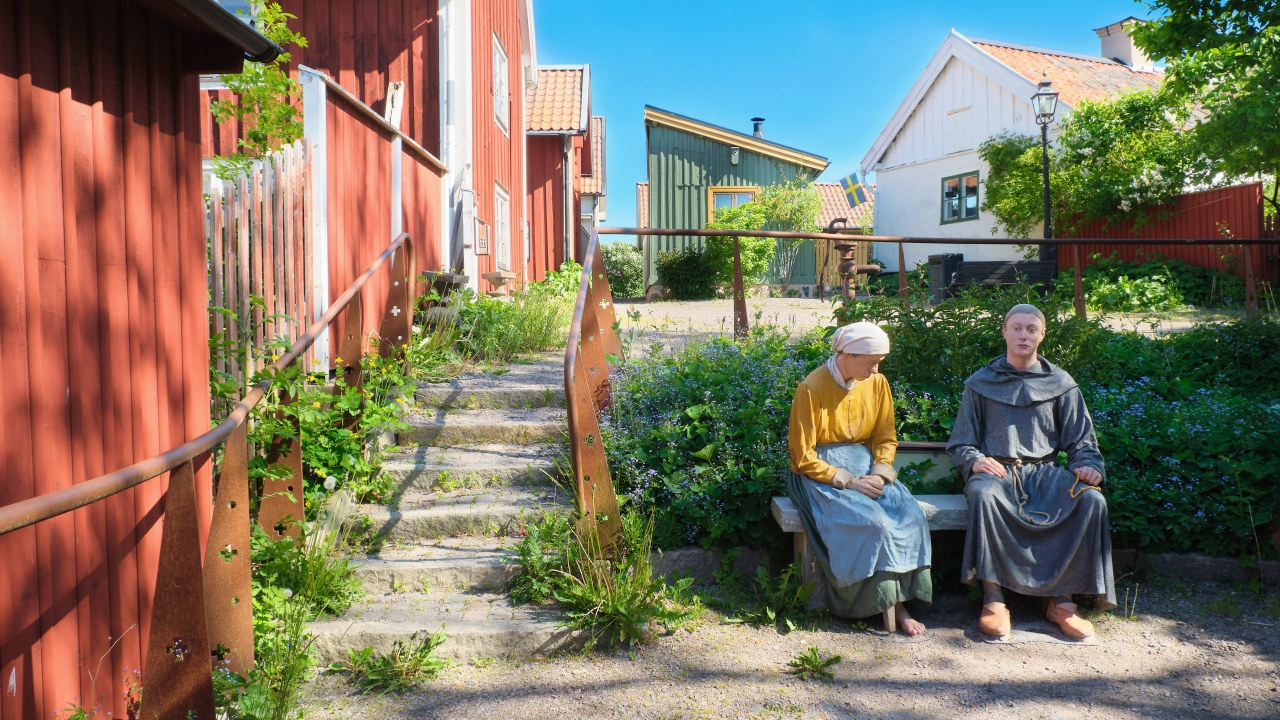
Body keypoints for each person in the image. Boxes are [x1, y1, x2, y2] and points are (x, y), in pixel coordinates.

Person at [947, 304, 1116, 640]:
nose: (1023, 335)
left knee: (1090, 502)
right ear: (1005, 332)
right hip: (997, 472)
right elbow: (961, 442)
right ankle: (994, 599)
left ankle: (1062, 602)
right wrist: (975, 460)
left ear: (1042, 334)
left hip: (1046, 473)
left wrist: (1088, 465)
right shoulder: (980, 383)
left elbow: (1082, 440)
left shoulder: (1061, 383)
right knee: (982, 495)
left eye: (1031, 329)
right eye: (1017, 328)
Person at [786, 321, 932, 636]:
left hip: (865, 464)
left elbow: (885, 437)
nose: (877, 369)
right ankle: (881, 605)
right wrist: (849, 481)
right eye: (872, 362)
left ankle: (902, 602)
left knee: (910, 516)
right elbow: (801, 456)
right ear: (848, 355)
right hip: (821, 473)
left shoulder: (877, 383)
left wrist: (880, 472)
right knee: (872, 523)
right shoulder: (812, 387)